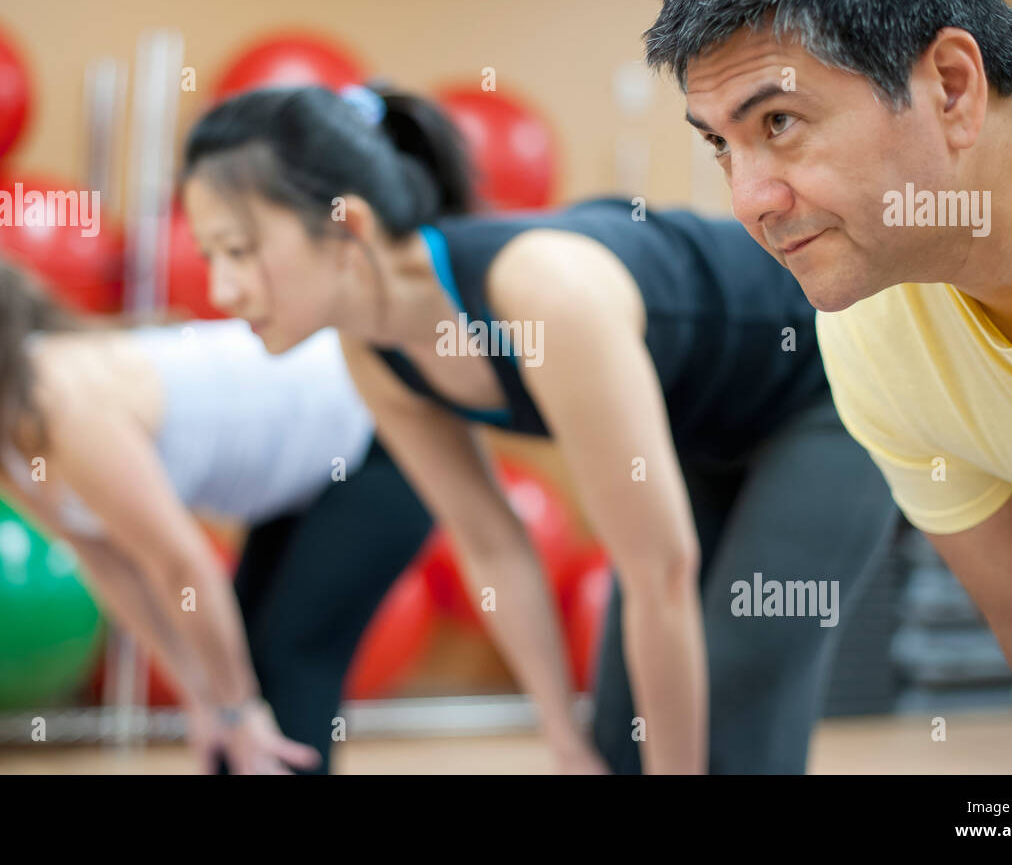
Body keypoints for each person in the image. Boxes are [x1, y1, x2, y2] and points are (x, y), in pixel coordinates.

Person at [179, 82, 898, 774]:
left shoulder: (545, 293)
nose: (221, 289)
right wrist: (564, 742)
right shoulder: (372, 348)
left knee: (735, 685)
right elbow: (492, 545)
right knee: (621, 731)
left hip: (826, 384)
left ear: (349, 227)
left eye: (240, 250)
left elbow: (659, 570)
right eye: (211, 255)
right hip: (705, 428)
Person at [643, 0, 1012, 771]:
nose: (751, 199)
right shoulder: (866, 334)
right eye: (723, 145)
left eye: (780, 123)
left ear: (951, 86)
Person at [0, 227, 432, 774]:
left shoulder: (60, 401)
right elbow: (111, 565)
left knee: (283, 669)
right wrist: (200, 699)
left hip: (387, 432)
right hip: (306, 474)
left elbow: (180, 564)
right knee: (241, 689)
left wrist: (233, 707)